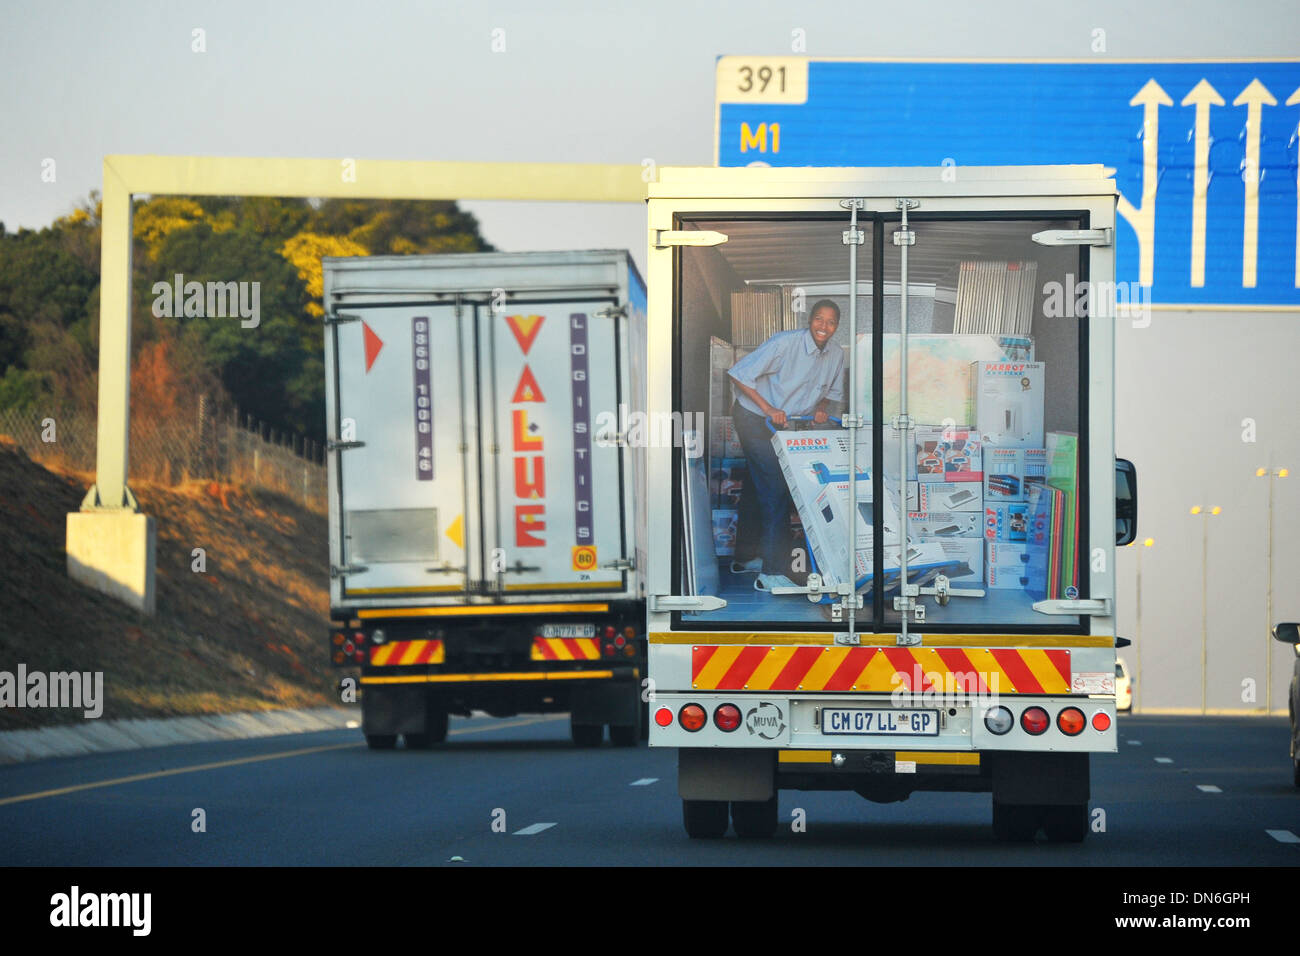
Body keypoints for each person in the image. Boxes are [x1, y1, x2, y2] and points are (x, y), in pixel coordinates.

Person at [727, 299, 846, 591]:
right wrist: (768, 409)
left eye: (830, 322)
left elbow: (828, 394)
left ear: (836, 326)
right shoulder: (785, 343)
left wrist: (820, 408)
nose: (824, 327)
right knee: (776, 486)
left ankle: (744, 556)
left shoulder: (836, 354)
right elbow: (738, 374)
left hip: (784, 424)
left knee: (760, 486)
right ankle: (771, 571)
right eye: (819, 319)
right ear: (810, 320)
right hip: (754, 418)